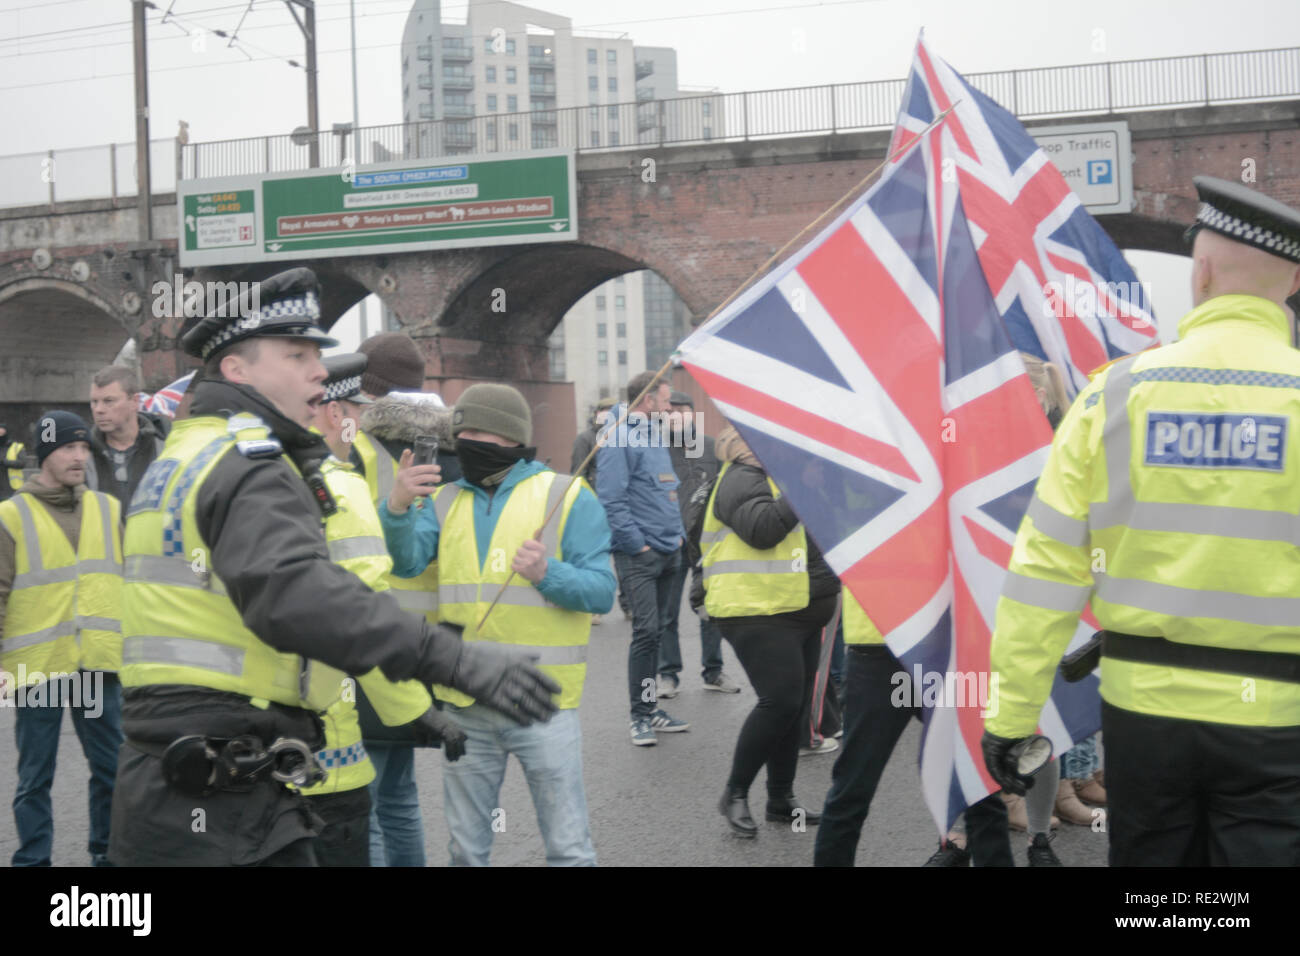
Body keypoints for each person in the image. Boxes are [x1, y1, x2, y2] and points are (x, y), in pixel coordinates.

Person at [108, 268, 560, 866]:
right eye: (296, 355)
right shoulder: (248, 465)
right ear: (238, 370)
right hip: (223, 792)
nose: (319, 371)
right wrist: (454, 659)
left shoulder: (184, 454)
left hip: (173, 772)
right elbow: (299, 595)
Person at [983, 176, 1300, 867]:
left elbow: (1044, 575)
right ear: (1292, 281)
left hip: (1145, 715)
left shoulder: (1115, 395)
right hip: (1279, 721)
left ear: (1203, 271)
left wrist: (1009, 721)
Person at [379, 383, 616, 865]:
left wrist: (549, 573)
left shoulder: (567, 495)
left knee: (568, 849)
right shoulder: (442, 499)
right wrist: (399, 507)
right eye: (460, 431)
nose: (466, 440)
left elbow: (601, 592)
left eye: (479, 431)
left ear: (511, 437)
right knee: (467, 850)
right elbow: (405, 565)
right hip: (467, 704)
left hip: (541, 702)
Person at [302, 353, 466, 867]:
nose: (364, 415)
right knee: (372, 802)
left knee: (381, 798)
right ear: (336, 411)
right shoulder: (335, 473)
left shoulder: (370, 460)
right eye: (357, 405)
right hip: (361, 667)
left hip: (368, 665)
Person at [0, 411, 123, 866]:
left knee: (111, 771)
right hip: (38, 668)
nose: (78, 456)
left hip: (94, 663)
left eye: (84, 448)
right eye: (68, 448)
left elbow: (125, 580)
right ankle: (33, 862)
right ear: (46, 455)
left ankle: (105, 855)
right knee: (35, 776)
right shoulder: (11, 515)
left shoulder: (108, 509)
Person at [704, 425, 837, 838]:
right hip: (756, 609)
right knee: (779, 702)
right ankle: (735, 792)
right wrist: (800, 488)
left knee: (794, 708)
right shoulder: (740, 478)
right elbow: (762, 531)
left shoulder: (773, 478)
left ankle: (781, 800)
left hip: (795, 608)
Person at [348, 331, 449, 867]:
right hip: (411, 645)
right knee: (397, 794)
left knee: (363, 797)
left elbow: (409, 556)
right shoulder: (435, 447)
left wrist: (394, 506)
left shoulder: (357, 450)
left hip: (366, 643)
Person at [597, 370, 691, 745]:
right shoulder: (618, 437)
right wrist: (639, 545)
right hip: (641, 555)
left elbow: (665, 488)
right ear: (647, 401)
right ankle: (639, 716)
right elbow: (612, 501)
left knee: (659, 631)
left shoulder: (652, 432)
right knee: (646, 632)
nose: (670, 408)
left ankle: (652, 709)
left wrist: (679, 538)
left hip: (670, 549)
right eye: (665, 401)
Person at [657, 390, 739, 697]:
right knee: (667, 613)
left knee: (710, 607)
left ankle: (713, 671)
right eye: (670, 411)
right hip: (670, 540)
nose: (676, 415)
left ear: (694, 413)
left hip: (706, 541)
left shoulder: (709, 446)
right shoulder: (656, 449)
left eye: (682, 410)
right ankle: (668, 675)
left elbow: (725, 488)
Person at [86, 365, 170, 508]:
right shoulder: (83, 453)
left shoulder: (165, 447)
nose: (99, 410)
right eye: (94, 402)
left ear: (134, 401)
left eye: (108, 401)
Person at [570, 396, 616, 486]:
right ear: (598, 413)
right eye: (608, 411)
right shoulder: (584, 439)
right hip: (594, 494)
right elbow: (579, 475)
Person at [1, 422, 26, 502]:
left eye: (2, 433)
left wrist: (4, 462)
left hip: (10, 488)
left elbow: (22, 463)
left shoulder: (16, 447)